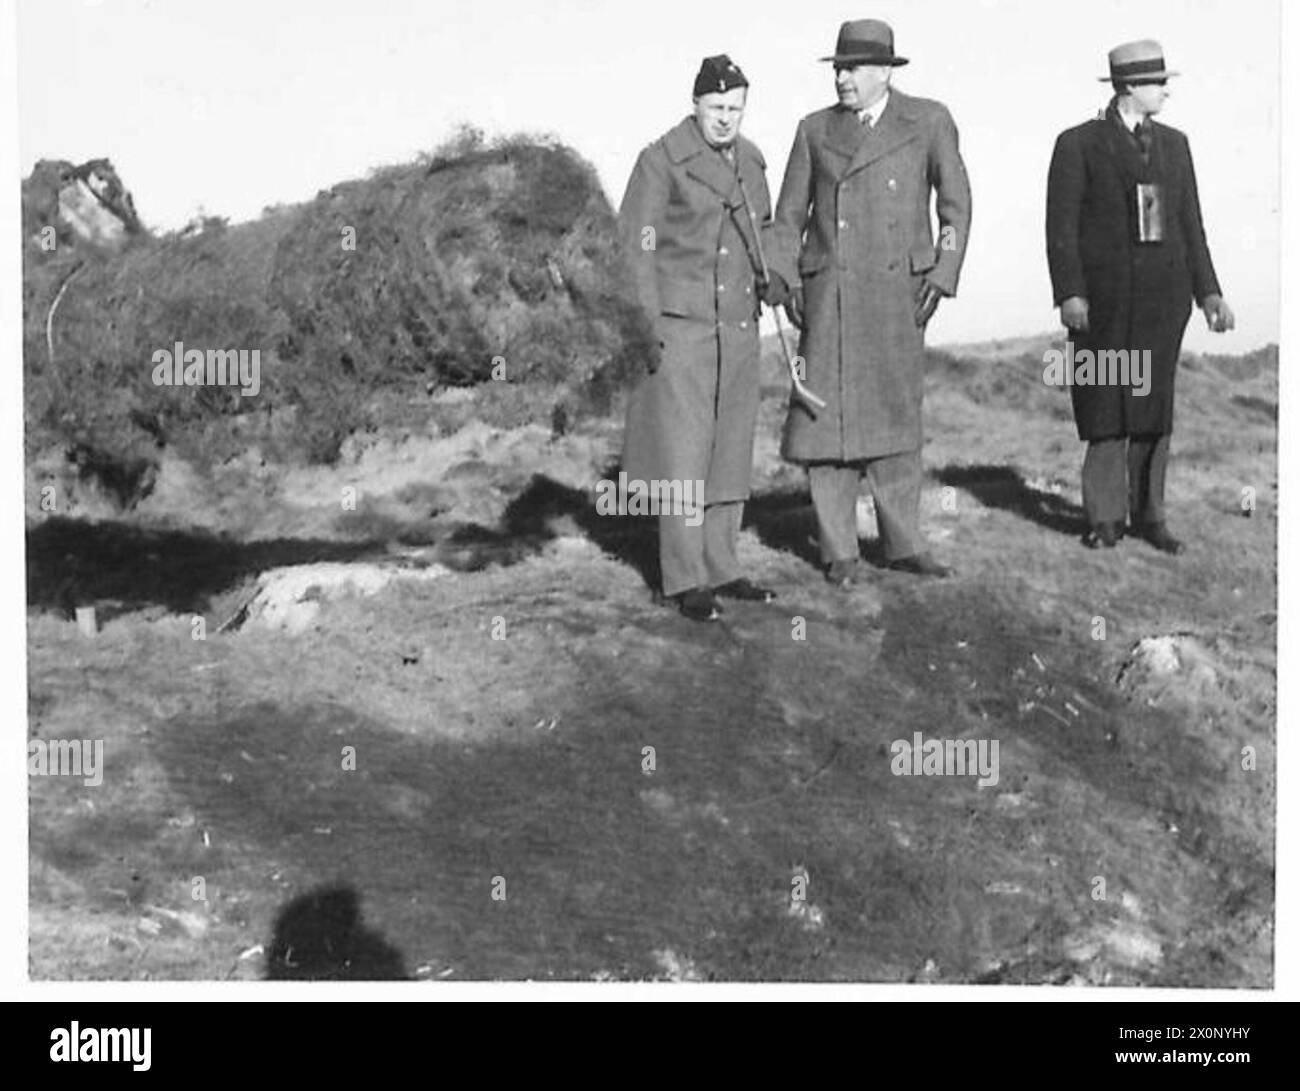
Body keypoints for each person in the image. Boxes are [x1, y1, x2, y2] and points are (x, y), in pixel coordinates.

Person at [767, 19, 971, 588]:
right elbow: (788, 218)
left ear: (885, 71)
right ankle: (839, 552)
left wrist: (944, 269)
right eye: (837, 68)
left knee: (896, 419)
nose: (842, 78)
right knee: (826, 423)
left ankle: (903, 546)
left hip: (897, 296)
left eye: (854, 68)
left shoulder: (928, 121)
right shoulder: (813, 131)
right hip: (827, 295)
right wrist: (784, 278)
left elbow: (956, 206)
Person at [1046, 40, 1234, 553]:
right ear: (1129, 86)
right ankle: (1104, 520)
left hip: (1162, 301)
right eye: (1157, 83)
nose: (1166, 91)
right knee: (1106, 404)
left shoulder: (1176, 144)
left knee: (1154, 411)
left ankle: (1151, 517)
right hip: (1102, 303)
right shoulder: (1078, 144)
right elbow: (1060, 227)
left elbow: (1191, 224)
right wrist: (1070, 293)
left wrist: (1209, 292)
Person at [619, 55, 787, 622]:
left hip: (738, 329)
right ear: (695, 104)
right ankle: (685, 579)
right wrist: (644, 327)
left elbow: (767, 233)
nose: (725, 119)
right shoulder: (660, 161)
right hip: (680, 329)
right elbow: (636, 246)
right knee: (684, 460)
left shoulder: (753, 161)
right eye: (716, 107)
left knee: (729, 452)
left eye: (735, 108)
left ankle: (723, 565)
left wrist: (778, 278)